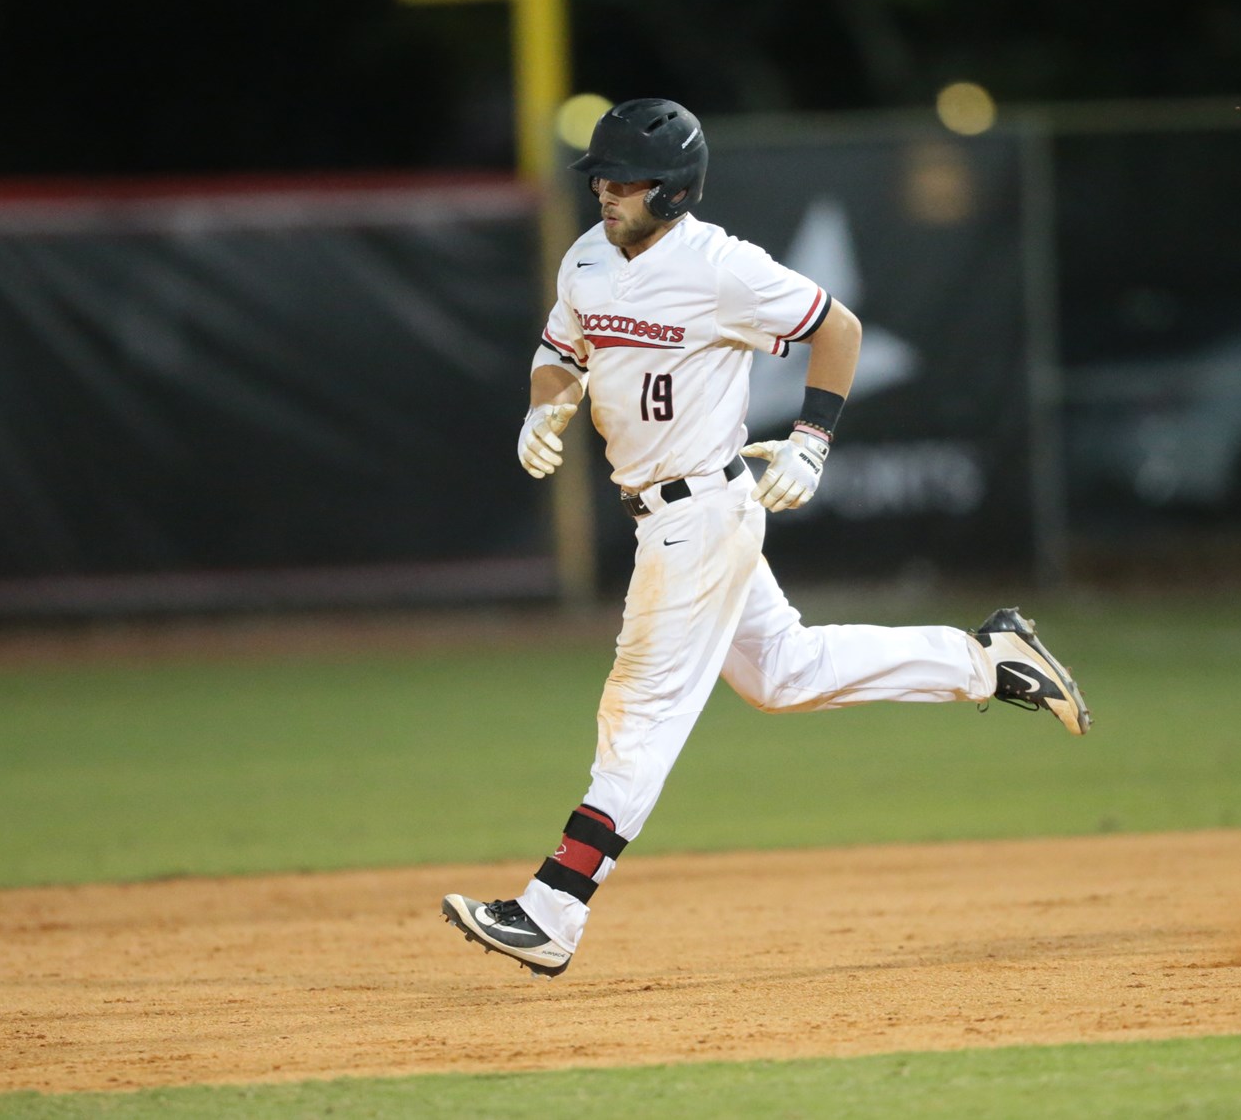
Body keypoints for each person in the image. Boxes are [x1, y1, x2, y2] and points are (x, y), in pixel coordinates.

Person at [441, 98, 1089, 979]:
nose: (605, 190)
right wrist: (541, 405)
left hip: (702, 514)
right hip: (666, 515)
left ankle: (553, 908)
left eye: (625, 179)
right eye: (600, 176)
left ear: (674, 190)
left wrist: (812, 439)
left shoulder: (721, 268)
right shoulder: (588, 256)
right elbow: (562, 349)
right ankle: (985, 659)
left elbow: (839, 328)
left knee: (640, 713)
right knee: (784, 674)